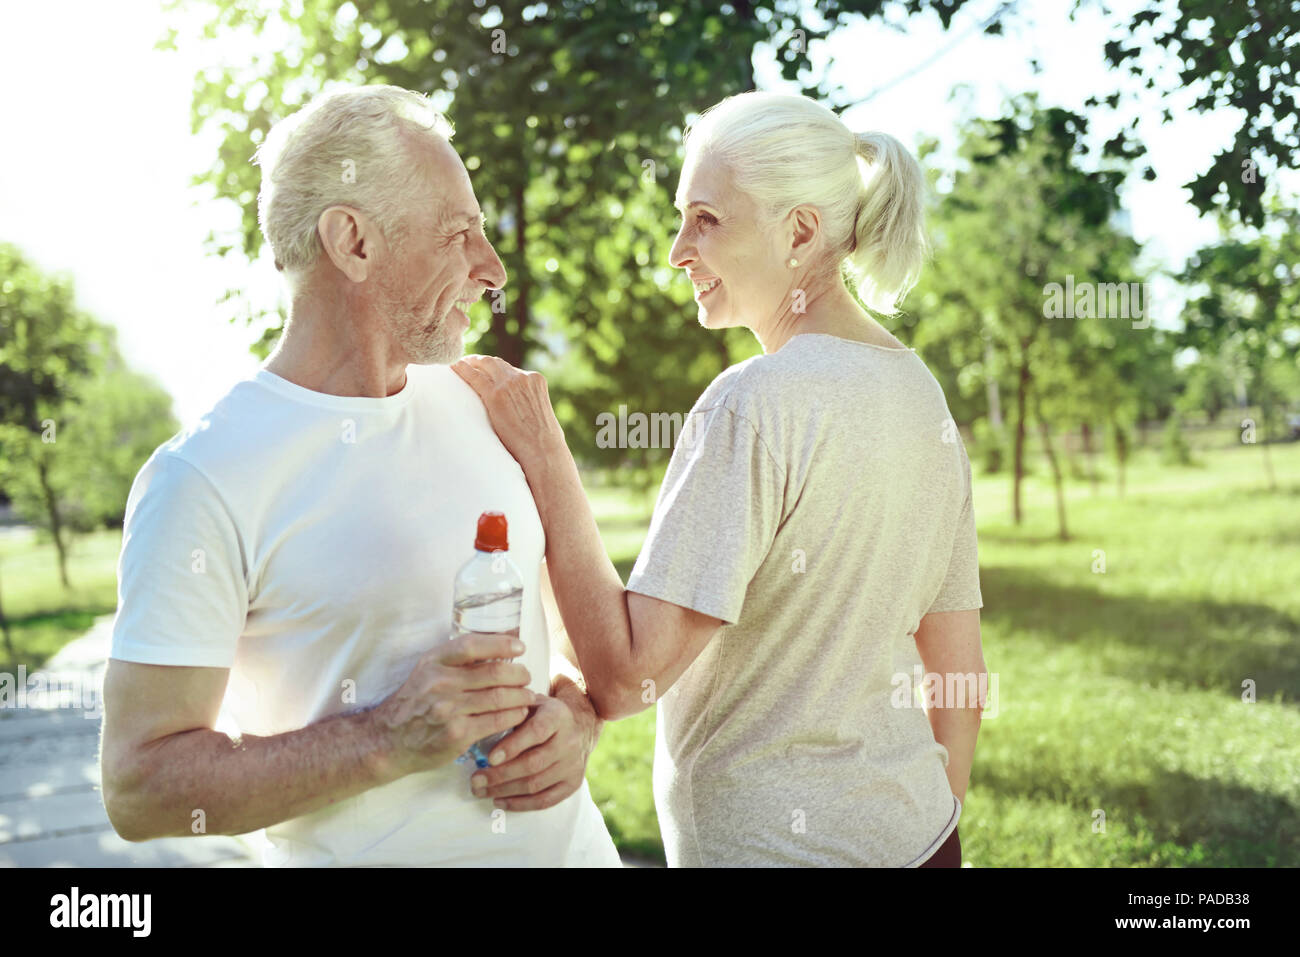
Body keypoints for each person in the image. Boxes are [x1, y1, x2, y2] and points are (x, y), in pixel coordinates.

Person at [454, 91, 987, 867]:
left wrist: (543, 455)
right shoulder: (920, 394)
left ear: (799, 231)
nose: (677, 250)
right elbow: (959, 670)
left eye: (705, 219)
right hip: (925, 840)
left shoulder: (755, 400)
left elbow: (628, 676)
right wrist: (938, 820)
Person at [99, 85, 621, 867]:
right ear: (354, 242)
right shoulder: (202, 478)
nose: (493, 267)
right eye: (460, 234)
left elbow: (567, 637)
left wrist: (576, 717)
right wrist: (381, 738)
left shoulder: (490, 402)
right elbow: (140, 786)